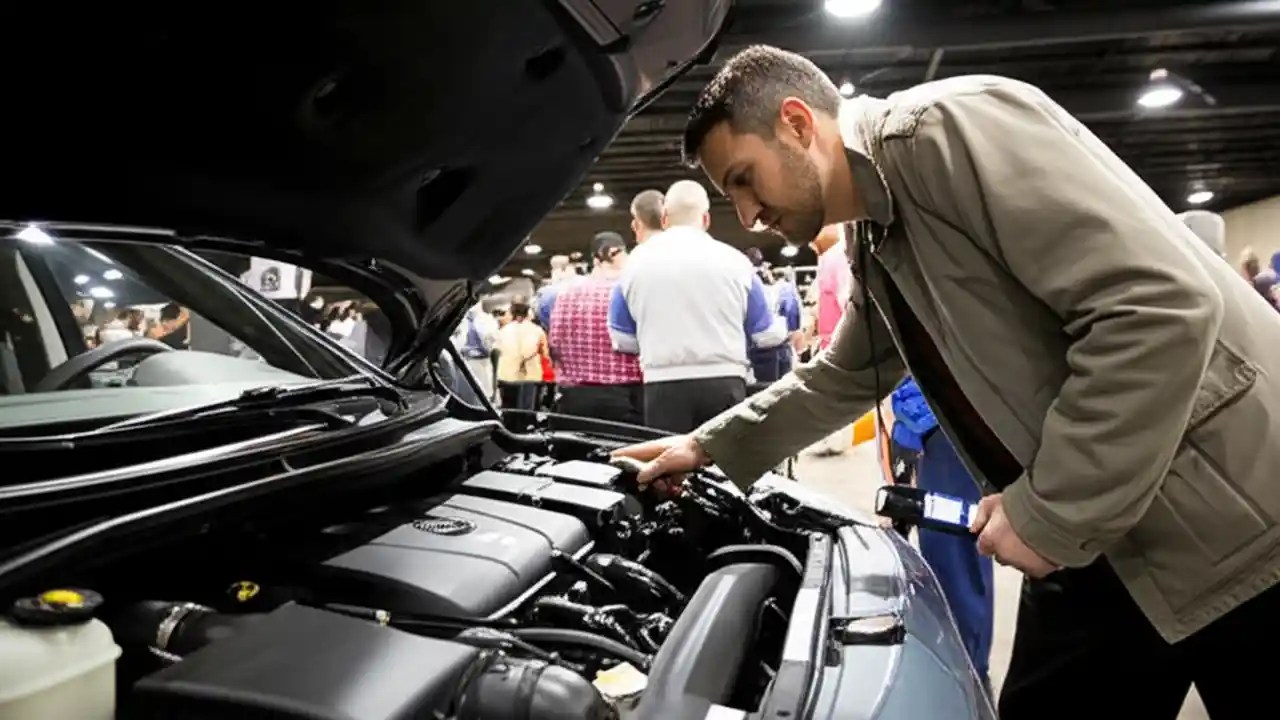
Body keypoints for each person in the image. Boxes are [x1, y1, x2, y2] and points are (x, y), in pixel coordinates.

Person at [612, 45, 1280, 718]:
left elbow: (1158, 310)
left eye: (746, 179)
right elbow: (845, 375)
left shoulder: (947, 134)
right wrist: (707, 447)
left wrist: (1049, 511)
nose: (750, 215)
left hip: (1233, 524)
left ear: (796, 123)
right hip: (1103, 534)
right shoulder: (876, 238)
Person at [607, 179, 787, 433]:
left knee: (667, 469)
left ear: (665, 218)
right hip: (725, 383)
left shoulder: (633, 266)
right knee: (723, 468)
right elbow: (766, 335)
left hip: (662, 386)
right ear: (706, 219)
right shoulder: (736, 262)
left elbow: (622, 339)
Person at [888, 375, 994, 687]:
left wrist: (914, 420)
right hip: (935, 416)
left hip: (946, 418)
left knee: (955, 555)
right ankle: (965, 668)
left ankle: (965, 677)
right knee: (949, 553)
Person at [548, 231, 644, 424]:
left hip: (575, 401)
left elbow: (555, 343)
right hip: (626, 399)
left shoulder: (565, 293)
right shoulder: (630, 290)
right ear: (613, 252)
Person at [494, 300, 545, 411]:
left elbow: (496, 350)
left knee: (508, 409)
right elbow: (541, 351)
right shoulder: (536, 330)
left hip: (507, 376)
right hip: (529, 376)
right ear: (528, 313)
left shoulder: (503, 330)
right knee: (526, 410)